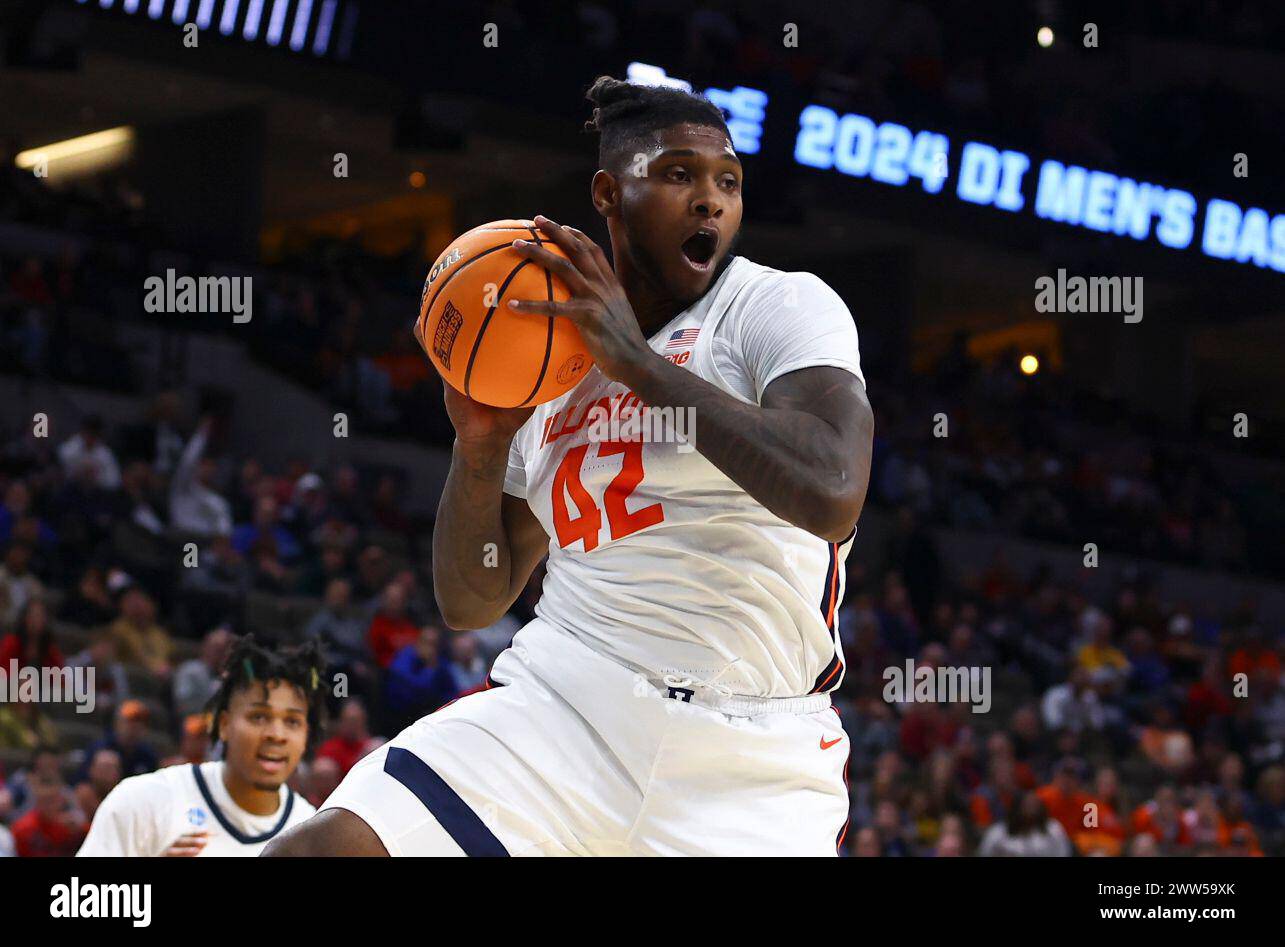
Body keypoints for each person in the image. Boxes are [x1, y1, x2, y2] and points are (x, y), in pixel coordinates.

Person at [271, 76, 872, 857]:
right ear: (608, 192)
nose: (710, 200)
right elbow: (471, 597)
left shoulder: (777, 306)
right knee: (321, 851)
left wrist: (640, 368)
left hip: (754, 756)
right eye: (677, 174)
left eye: (727, 181)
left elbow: (831, 491)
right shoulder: (545, 354)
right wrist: (481, 447)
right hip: (567, 704)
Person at [78, 637, 323, 856]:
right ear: (224, 724)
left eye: (292, 721)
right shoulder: (144, 801)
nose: (276, 735)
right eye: (258, 717)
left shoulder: (315, 833)